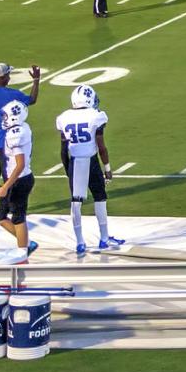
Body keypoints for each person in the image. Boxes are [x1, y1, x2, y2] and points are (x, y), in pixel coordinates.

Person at [55, 85, 117, 256]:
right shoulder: (96, 116)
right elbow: (101, 147)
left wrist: (68, 169)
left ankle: (80, 242)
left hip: (75, 162)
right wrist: (107, 168)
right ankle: (104, 238)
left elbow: (63, 150)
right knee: (100, 197)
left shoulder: (64, 117)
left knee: (76, 202)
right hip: (91, 161)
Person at [0, 64, 41, 222]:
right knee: (9, 175)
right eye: (8, 75)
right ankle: (11, 205)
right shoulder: (13, 95)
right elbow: (32, 100)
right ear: (4, 77)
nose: (10, 77)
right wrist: (36, 81)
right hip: (5, 142)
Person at [0, 102, 37, 263]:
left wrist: (5, 186)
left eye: (5, 115)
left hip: (19, 180)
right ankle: (27, 244)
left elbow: (20, 164)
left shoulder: (15, 134)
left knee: (18, 217)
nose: (3, 118)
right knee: (0, 216)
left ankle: (22, 253)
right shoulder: (21, 128)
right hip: (16, 179)